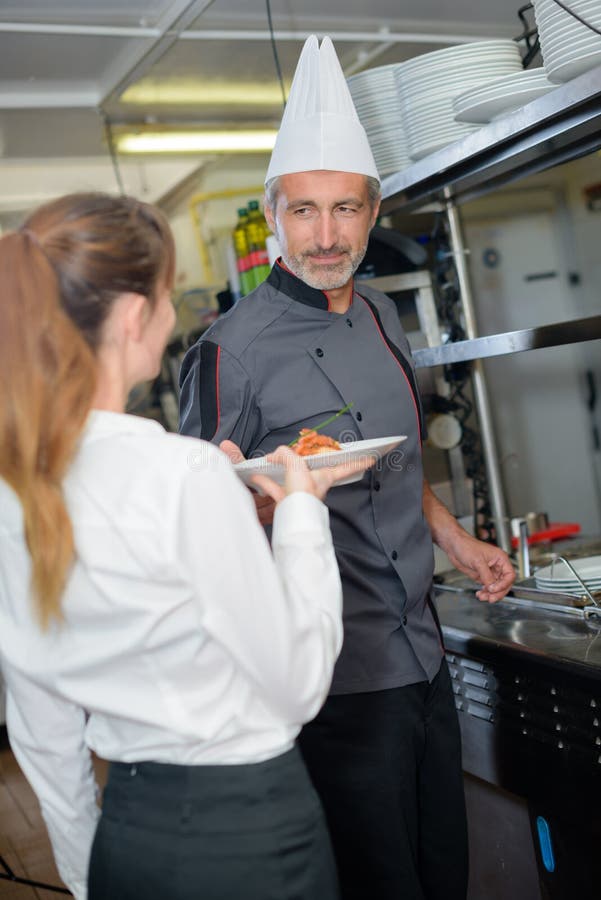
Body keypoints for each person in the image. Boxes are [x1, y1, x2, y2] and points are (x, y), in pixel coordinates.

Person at [179, 36, 516, 900]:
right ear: (274, 216)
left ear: (372, 214)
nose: (325, 237)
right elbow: (196, 521)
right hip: (334, 676)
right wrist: (268, 497)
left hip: (423, 654)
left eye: (344, 211)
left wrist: (455, 543)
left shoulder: (379, 312)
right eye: (302, 212)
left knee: (445, 867)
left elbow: (400, 458)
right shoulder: (230, 351)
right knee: (376, 884)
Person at [0, 191, 373, 900]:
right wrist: (299, 511)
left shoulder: (14, 490)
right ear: (137, 315)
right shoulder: (183, 475)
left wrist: (88, 878)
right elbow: (297, 686)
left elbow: (42, 729)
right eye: (168, 293)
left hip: (127, 842)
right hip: (249, 840)